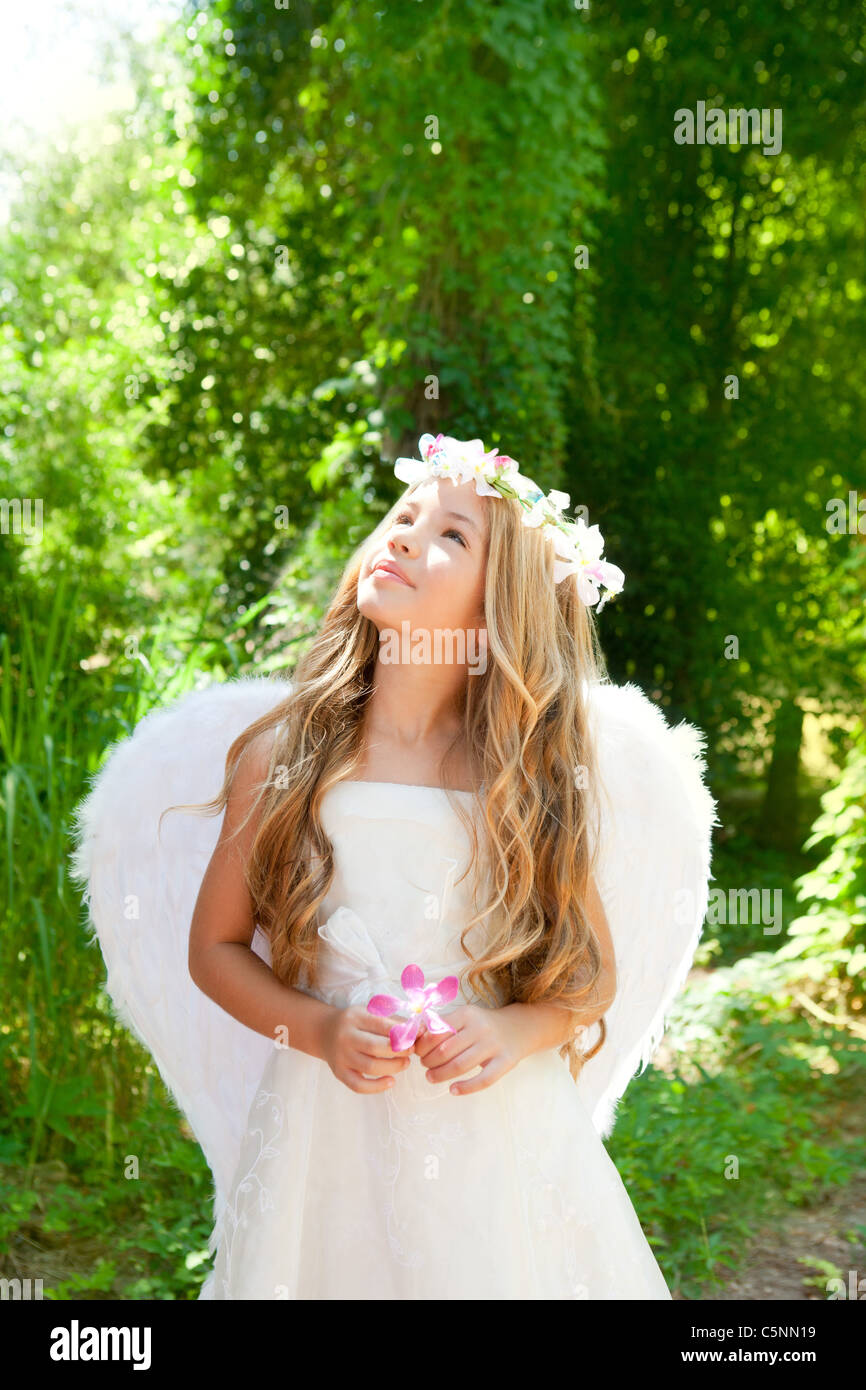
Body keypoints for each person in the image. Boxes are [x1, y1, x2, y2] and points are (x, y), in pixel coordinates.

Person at [70, 432, 718, 1300]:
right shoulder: (284, 755)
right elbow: (214, 949)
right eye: (406, 516)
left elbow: (588, 979)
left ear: (501, 608)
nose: (410, 536)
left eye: (454, 536)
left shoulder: (521, 778)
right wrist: (322, 1030)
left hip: (494, 1133)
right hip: (323, 1129)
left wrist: (513, 1031)